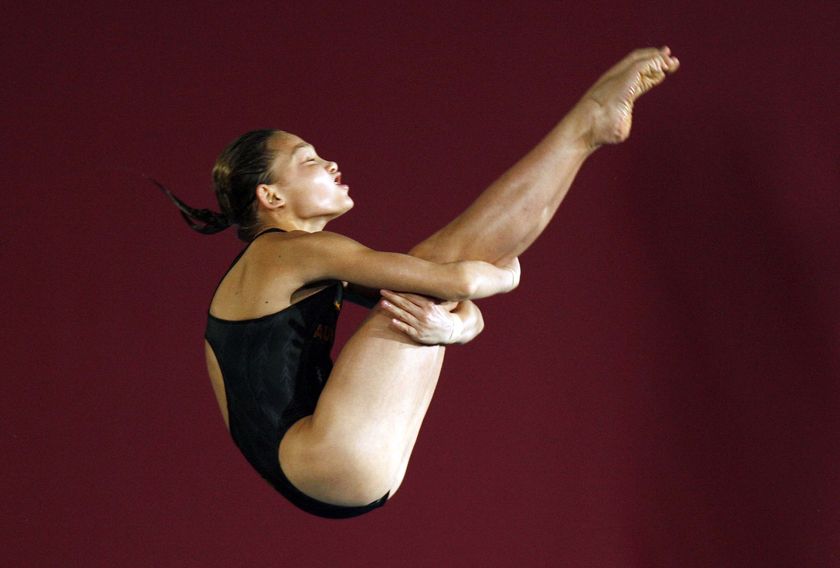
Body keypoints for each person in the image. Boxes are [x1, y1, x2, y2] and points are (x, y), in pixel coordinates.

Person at [159, 47, 679, 519]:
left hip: (343, 469)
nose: (331, 162)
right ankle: (586, 126)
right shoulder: (285, 252)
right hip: (327, 454)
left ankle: (588, 131)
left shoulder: (299, 262)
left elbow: (460, 301)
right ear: (271, 197)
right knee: (430, 267)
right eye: (310, 161)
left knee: (424, 294)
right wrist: (503, 278)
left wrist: (450, 327)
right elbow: (457, 276)